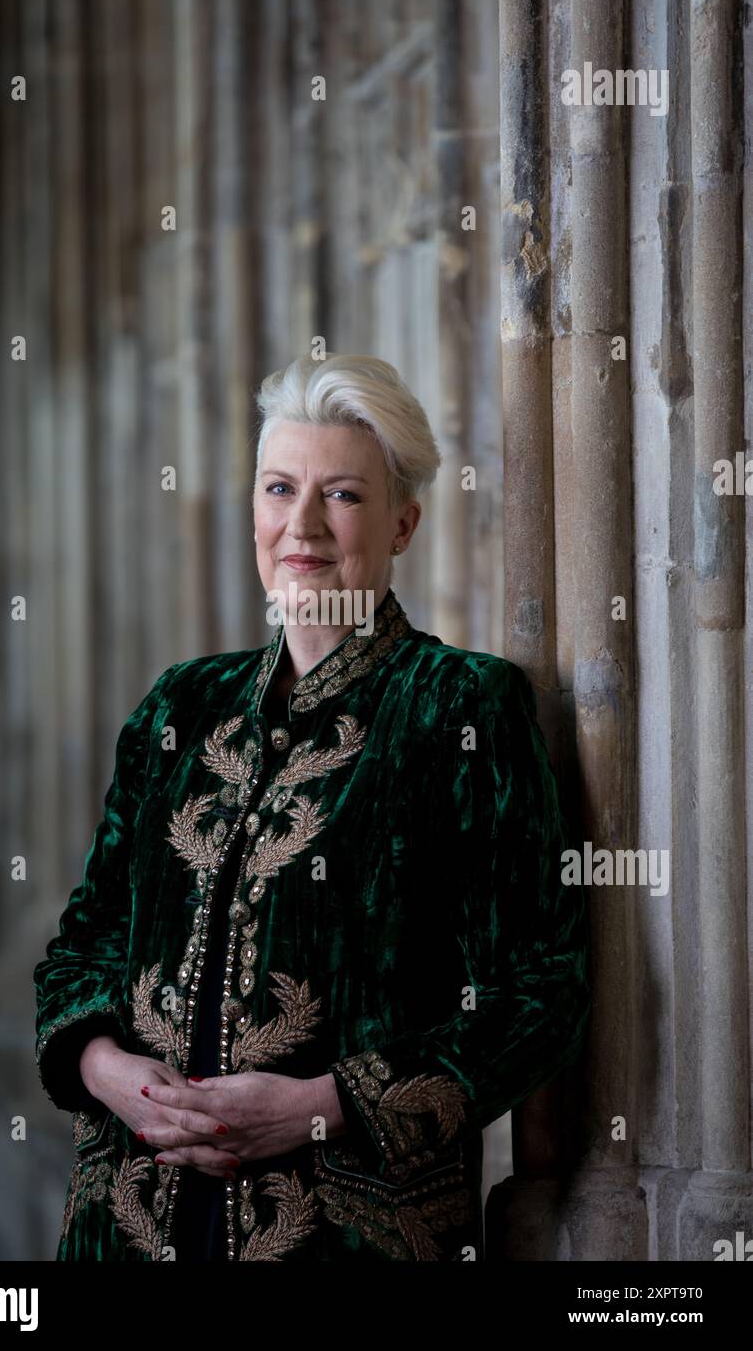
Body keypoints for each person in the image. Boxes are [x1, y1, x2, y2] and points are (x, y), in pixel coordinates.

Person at [33, 351, 590, 1261]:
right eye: (279, 488)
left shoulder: (458, 706)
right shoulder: (180, 706)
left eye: (342, 496)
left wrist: (318, 1110)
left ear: (403, 522)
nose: (302, 526)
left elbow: (538, 993)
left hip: (350, 1234)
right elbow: (83, 945)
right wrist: (107, 1070)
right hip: (129, 1221)